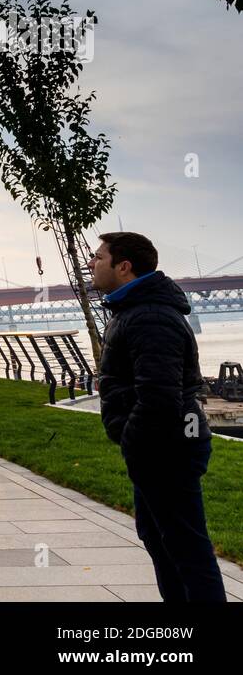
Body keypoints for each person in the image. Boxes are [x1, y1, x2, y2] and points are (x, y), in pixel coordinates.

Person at [90, 231, 225, 603]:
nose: (91, 263)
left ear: (124, 266)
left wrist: (130, 438)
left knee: (186, 549)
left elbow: (159, 396)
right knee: (162, 540)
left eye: (98, 257)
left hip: (167, 447)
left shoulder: (150, 316)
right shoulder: (135, 309)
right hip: (160, 446)